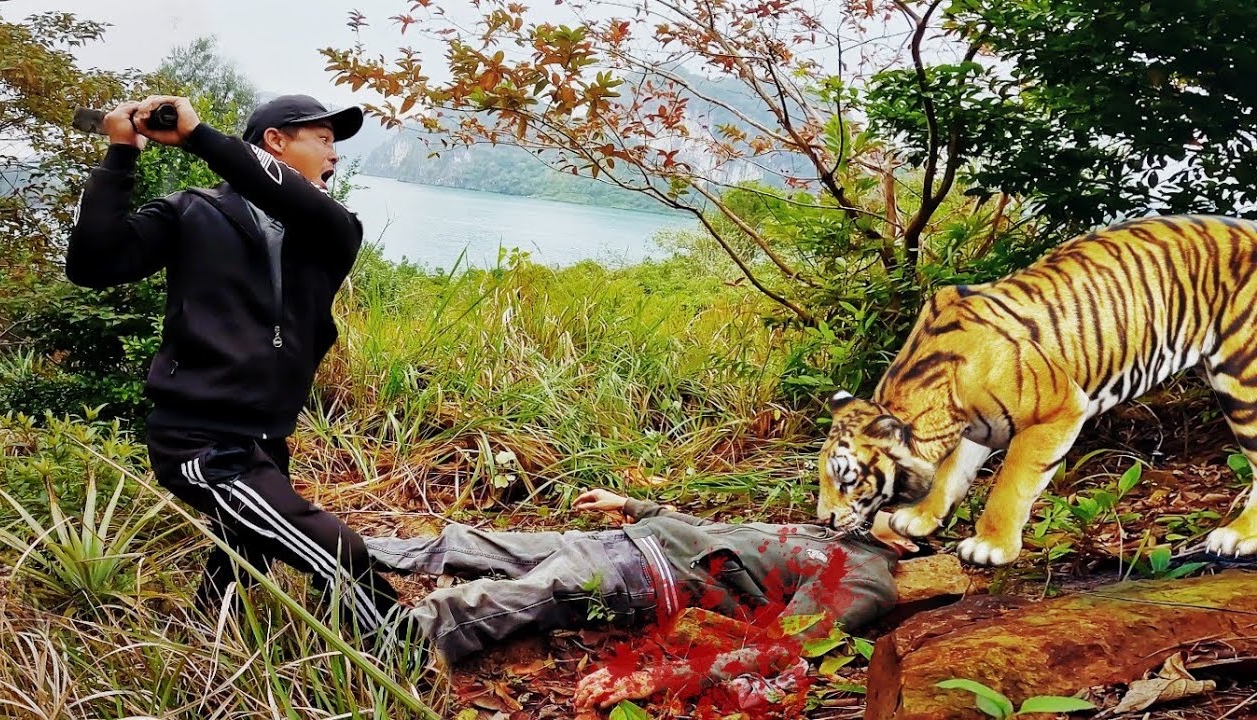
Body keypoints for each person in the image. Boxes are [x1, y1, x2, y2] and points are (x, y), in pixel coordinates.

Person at [66, 94, 398, 641]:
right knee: (338, 552)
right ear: (275, 142)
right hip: (199, 442)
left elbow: (277, 190)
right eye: (322, 139)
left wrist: (198, 136)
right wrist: (121, 153)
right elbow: (92, 264)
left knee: (243, 559)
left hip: (266, 437)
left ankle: (209, 647)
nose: (334, 153)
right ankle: (410, 654)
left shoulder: (332, 226)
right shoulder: (191, 211)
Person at [366, 488, 917, 709]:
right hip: (630, 540)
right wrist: (633, 506)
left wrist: (657, 676)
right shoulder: (827, 533)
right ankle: (341, 551)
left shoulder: (865, 575)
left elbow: (783, 646)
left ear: (911, 535)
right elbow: (711, 530)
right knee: (467, 543)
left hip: (646, 574)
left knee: (500, 600)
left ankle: (376, 642)